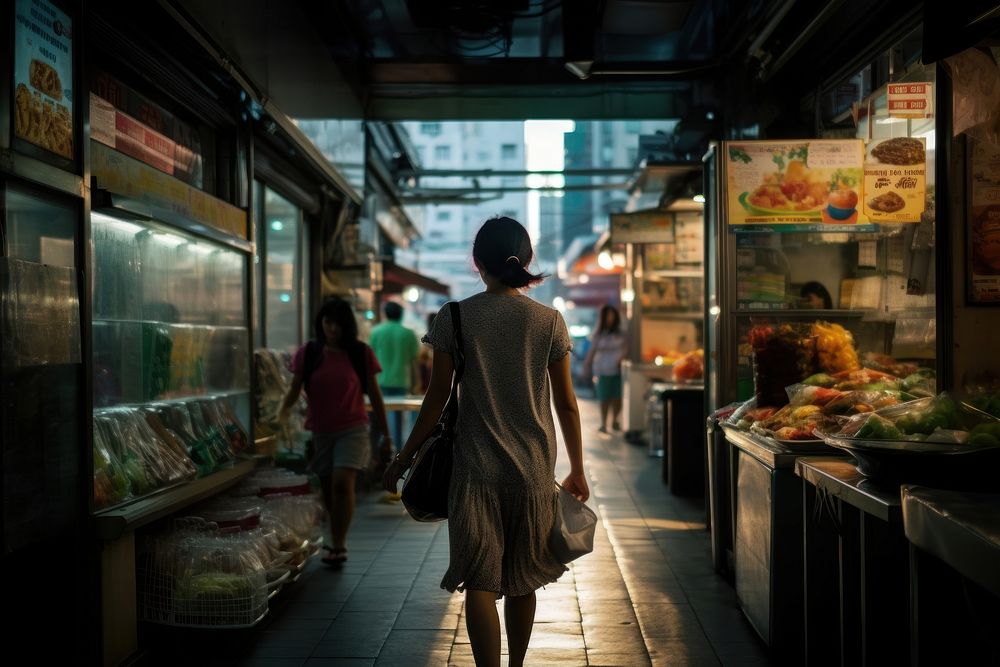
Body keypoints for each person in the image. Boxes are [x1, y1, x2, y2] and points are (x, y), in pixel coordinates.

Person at [383, 216, 589, 667]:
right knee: (523, 579)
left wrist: (403, 459)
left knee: (480, 582)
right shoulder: (549, 321)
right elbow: (567, 405)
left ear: (477, 263)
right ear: (527, 259)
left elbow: (435, 399)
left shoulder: (454, 317)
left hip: (474, 471)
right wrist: (576, 468)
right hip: (534, 471)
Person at [279, 297, 391, 566]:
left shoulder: (360, 353)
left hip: (353, 429)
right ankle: (335, 536)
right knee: (328, 488)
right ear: (322, 322)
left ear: (347, 325)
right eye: (329, 322)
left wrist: (386, 435)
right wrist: (280, 417)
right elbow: (295, 389)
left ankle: (340, 543)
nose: (333, 329)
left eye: (339, 324)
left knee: (343, 482)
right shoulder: (309, 353)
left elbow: (375, 396)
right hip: (321, 431)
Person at [369, 301, 421, 447]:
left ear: (385, 314)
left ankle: (378, 453)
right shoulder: (408, 334)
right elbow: (414, 363)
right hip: (401, 382)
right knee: (397, 420)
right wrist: (416, 383)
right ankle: (397, 451)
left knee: (378, 418)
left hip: (379, 382)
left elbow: (369, 359)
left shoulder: (376, 332)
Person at [583, 304, 628, 433]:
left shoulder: (621, 332)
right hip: (602, 370)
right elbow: (592, 351)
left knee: (617, 397)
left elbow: (627, 347)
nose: (610, 318)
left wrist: (622, 357)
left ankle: (614, 420)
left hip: (618, 369)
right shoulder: (598, 333)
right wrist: (586, 367)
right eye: (607, 315)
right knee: (604, 397)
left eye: (612, 315)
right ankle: (603, 423)